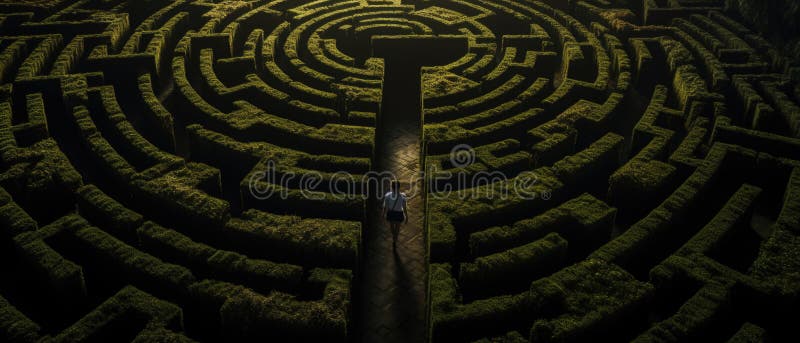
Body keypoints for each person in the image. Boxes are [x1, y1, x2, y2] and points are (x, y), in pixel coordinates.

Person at [382, 180, 408, 248]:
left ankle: (394, 236)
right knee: (397, 227)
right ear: (399, 187)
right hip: (399, 213)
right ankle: (395, 238)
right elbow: (404, 208)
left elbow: (385, 206)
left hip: (391, 213)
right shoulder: (403, 196)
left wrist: (383, 214)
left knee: (392, 226)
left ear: (392, 187)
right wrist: (406, 216)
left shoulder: (387, 195)